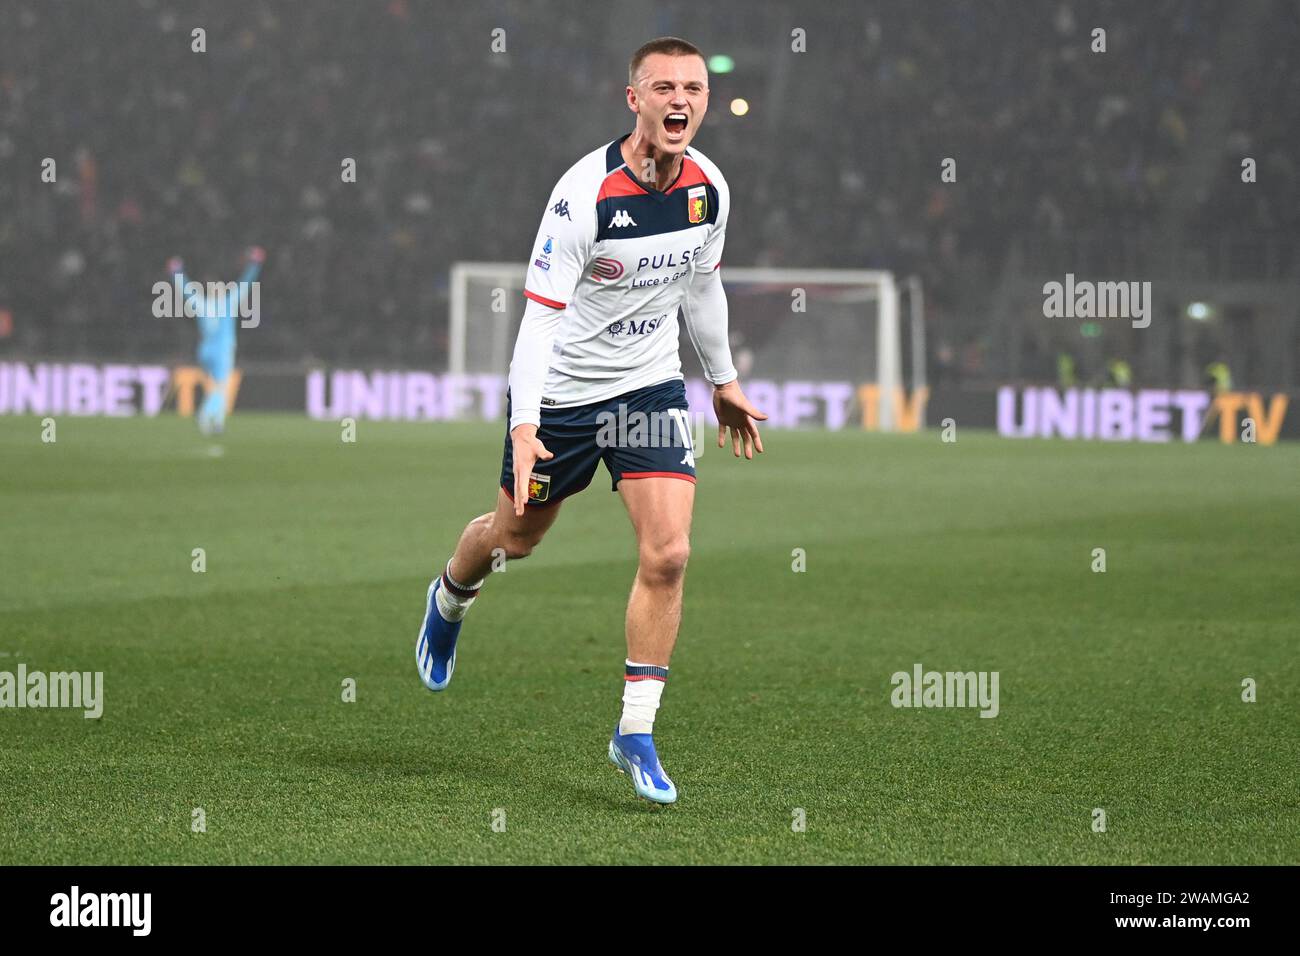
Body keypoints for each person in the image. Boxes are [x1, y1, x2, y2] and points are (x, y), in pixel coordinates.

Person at [415, 37, 766, 805]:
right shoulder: (585, 194)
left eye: (695, 89)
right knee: (516, 539)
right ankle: (450, 597)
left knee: (669, 553)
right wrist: (524, 425)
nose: (682, 101)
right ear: (632, 98)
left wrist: (725, 380)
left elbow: (703, 290)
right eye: (664, 87)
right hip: (565, 398)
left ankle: (634, 731)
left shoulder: (709, 190)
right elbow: (538, 322)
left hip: (647, 393)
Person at [166, 247, 265, 434]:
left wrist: (176, 271)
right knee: (221, 388)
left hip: (204, 351)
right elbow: (246, 284)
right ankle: (205, 415)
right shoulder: (228, 302)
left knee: (217, 387)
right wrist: (255, 264)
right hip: (222, 350)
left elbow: (185, 289)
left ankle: (218, 422)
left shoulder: (201, 303)